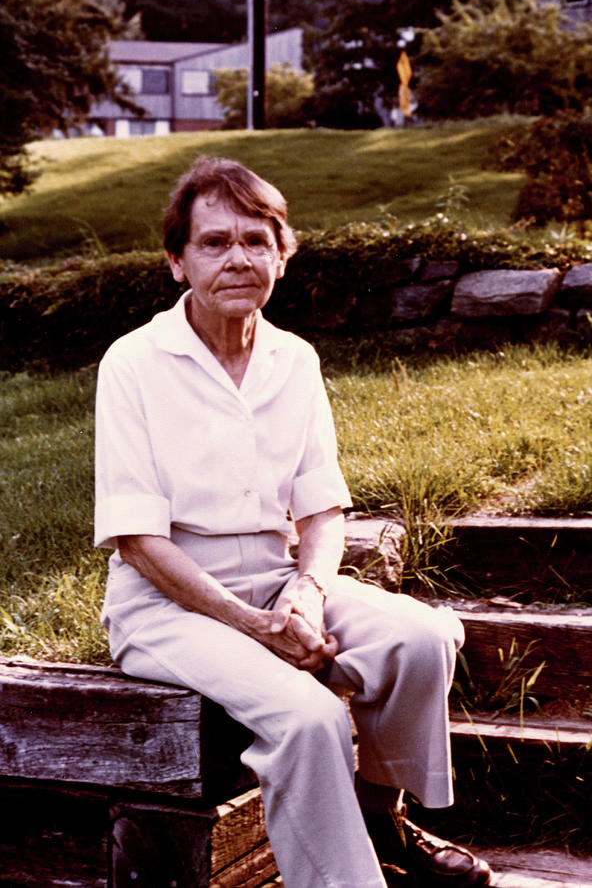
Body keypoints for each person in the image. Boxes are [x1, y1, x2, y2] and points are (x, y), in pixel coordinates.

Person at [94, 156, 491, 888]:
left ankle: (382, 825)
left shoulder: (293, 360)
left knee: (421, 638)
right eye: (214, 242)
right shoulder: (134, 363)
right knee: (308, 719)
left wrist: (305, 594)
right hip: (165, 606)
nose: (238, 257)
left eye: (256, 239)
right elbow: (137, 541)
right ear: (177, 263)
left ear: (283, 254)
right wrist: (254, 626)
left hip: (276, 580)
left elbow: (321, 508)